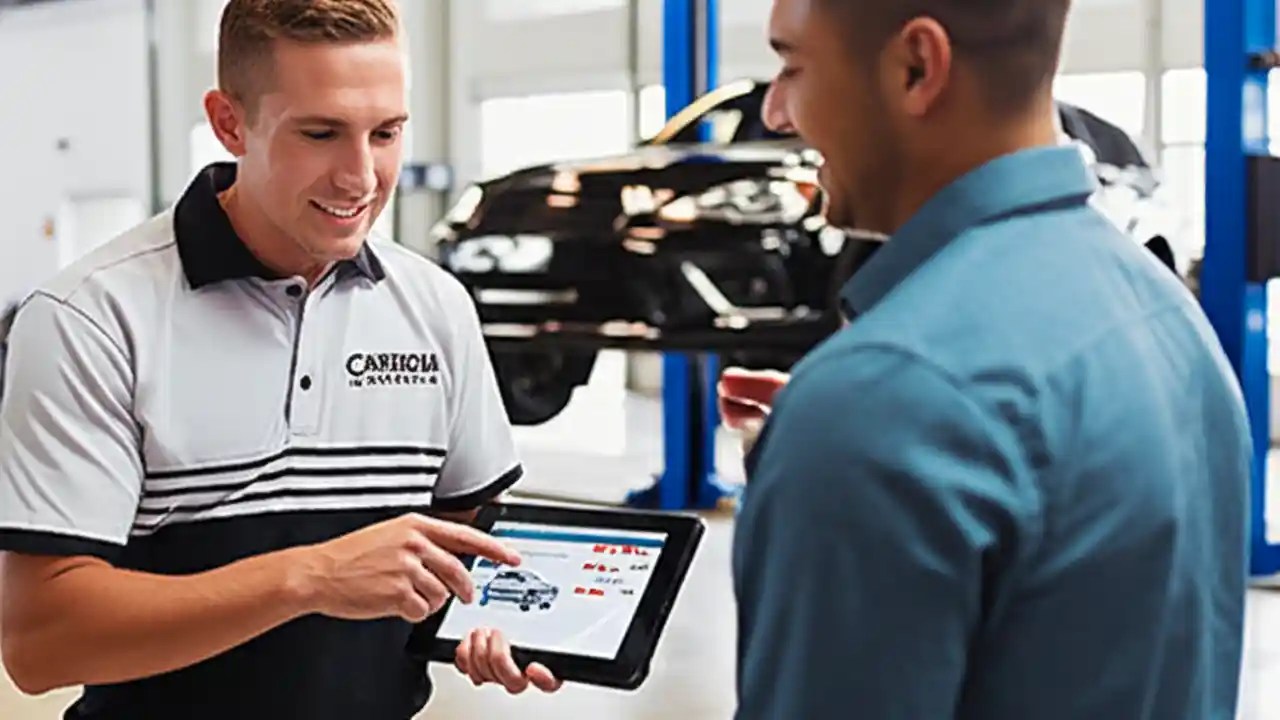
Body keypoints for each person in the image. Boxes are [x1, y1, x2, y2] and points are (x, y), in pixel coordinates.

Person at [0, 1, 555, 717]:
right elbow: (42, 643)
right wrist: (310, 578)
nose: (361, 177)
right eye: (320, 133)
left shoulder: (436, 307)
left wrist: (499, 625)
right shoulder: (92, 318)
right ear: (230, 122)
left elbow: (466, 545)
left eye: (386, 133)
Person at [727, 1, 1252, 719]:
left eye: (792, 66)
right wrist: (829, 458)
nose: (778, 114)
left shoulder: (881, 406)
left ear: (917, 66)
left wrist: (841, 438)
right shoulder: (1164, 314)